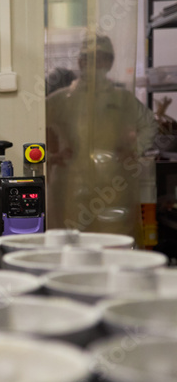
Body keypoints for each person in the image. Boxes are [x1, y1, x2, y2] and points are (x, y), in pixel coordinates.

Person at [46, 34, 158, 239]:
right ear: (80, 61)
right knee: (71, 239)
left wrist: (134, 150)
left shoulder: (122, 99)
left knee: (114, 239)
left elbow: (149, 124)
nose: (95, 63)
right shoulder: (60, 99)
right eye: (88, 58)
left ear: (110, 62)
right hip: (69, 183)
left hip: (112, 182)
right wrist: (51, 156)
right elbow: (36, 128)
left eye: (102, 58)